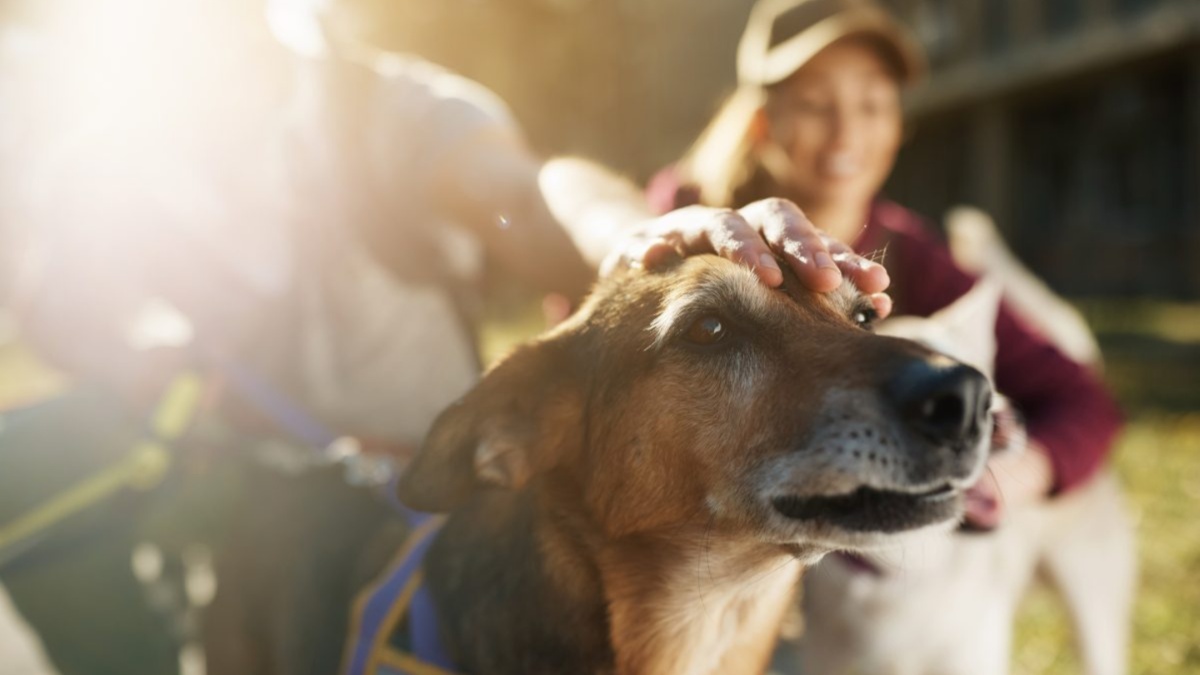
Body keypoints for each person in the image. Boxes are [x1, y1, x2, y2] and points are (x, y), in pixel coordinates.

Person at [0, 1, 893, 673]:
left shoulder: (384, 107)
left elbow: (532, 190)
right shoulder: (109, 149)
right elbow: (62, 300)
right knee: (16, 459)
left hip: (427, 474)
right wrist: (140, 356)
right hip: (223, 455)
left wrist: (641, 235)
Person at [648, 0, 1122, 528]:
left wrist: (1019, 475)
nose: (846, 132)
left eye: (872, 105)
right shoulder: (683, 217)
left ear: (899, 125)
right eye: (814, 104)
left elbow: (1082, 399)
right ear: (763, 122)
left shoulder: (911, 253)